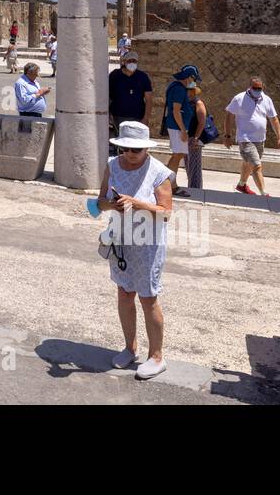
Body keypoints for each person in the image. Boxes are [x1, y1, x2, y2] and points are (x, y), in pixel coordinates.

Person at [98, 120, 174, 381]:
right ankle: (130, 347)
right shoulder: (111, 166)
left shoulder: (159, 172)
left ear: (146, 149)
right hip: (121, 239)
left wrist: (137, 203)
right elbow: (99, 202)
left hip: (148, 243)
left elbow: (166, 212)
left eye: (137, 150)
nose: (131, 154)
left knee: (148, 297)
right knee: (124, 292)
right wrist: (113, 205)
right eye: (126, 149)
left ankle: (157, 356)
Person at [224, 76, 280, 196]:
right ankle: (264, 193)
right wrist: (227, 136)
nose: (257, 90)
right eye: (255, 88)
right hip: (245, 138)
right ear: (250, 87)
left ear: (263, 88)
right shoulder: (239, 98)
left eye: (259, 88)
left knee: (248, 163)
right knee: (256, 166)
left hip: (260, 139)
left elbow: (274, 119)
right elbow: (229, 116)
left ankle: (241, 185)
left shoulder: (266, 99)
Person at [161, 64, 199, 197]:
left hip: (177, 126)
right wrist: (183, 130)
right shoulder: (179, 90)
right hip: (178, 127)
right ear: (189, 77)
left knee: (178, 155)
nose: (194, 82)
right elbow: (176, 110)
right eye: (194, 79)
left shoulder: (177, 87)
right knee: (177, 155)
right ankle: (170, 185)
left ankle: (168, 182)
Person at [108, 51, 154, 151]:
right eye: (130, 60)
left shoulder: (143, 77)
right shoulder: (115, 75)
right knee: (121, 145)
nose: (132, 63)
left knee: (136, 146)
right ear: (124, 62)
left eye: (134, 61)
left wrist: (146, 118)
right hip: (118, 116)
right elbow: (106, 95)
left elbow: (149, 99)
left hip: (137, 117)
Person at [184, 82, 208, 192]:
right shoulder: (188, 103)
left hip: (194, 138)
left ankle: (195, 190)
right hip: (188, 137)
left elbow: (202, 122)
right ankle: (193, 187)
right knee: (189, 165)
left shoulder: (198, 103)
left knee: (194, 167)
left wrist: (196, 138)